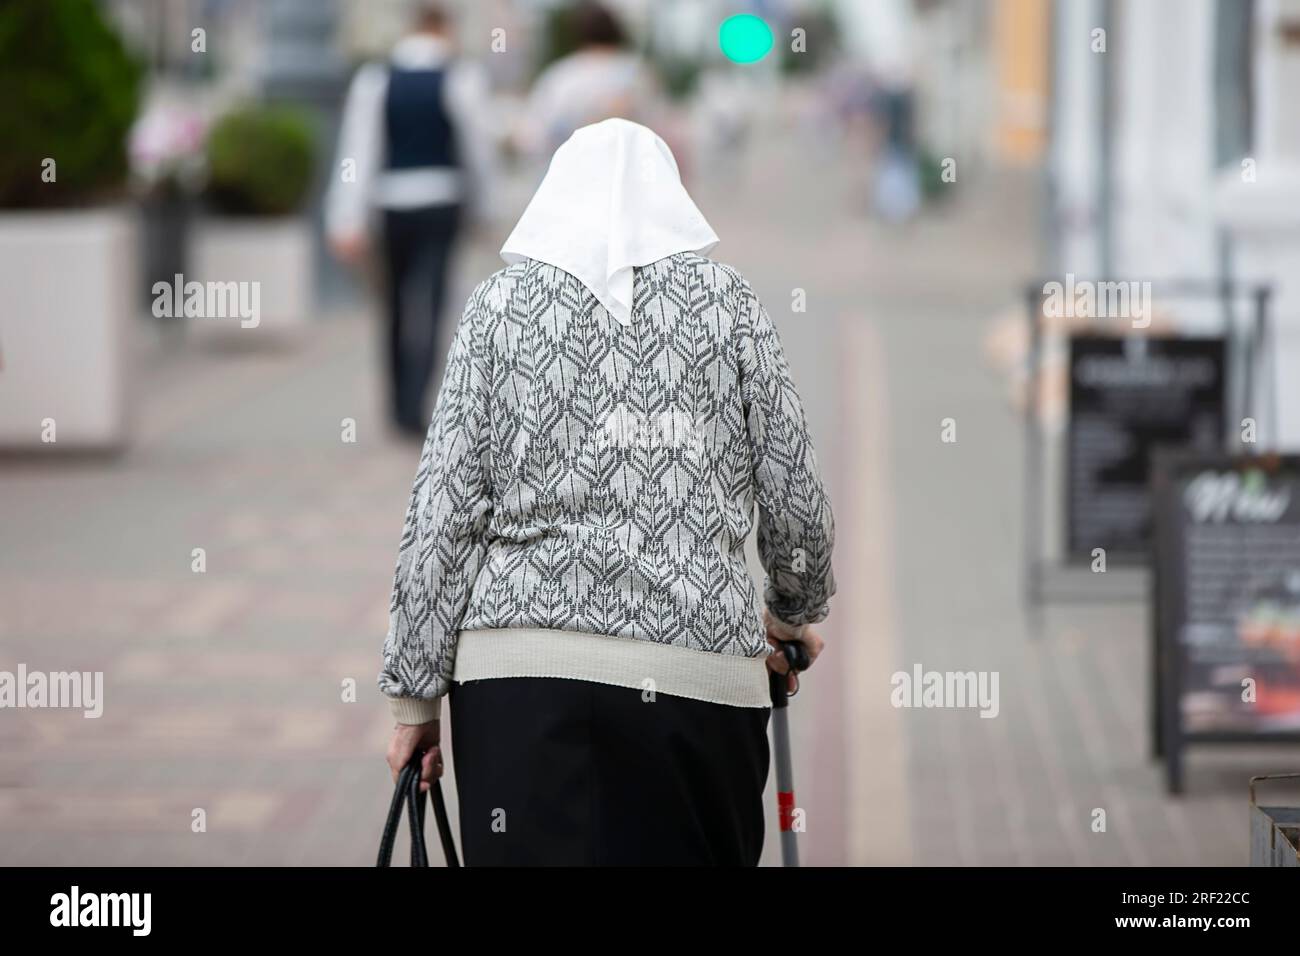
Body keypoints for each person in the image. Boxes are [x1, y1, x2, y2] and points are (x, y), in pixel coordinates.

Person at [379, 119, 836, 866]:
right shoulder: (731, 304)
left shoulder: (497, 308)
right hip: (699, 680)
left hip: (520, 686)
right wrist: (792, 613)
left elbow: (443, 516)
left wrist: (415, 699)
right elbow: (796, 499)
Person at [326, 2, 496, 438]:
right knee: (435, 302)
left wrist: (346, 217)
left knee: (396, 305)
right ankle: (421, 401)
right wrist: (484, 209)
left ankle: (398, 405)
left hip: (392, 203)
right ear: (443, 30)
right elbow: (478, 152)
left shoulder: (376, 80)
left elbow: (358, 152)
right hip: (443, 199)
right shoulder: (462, 79)